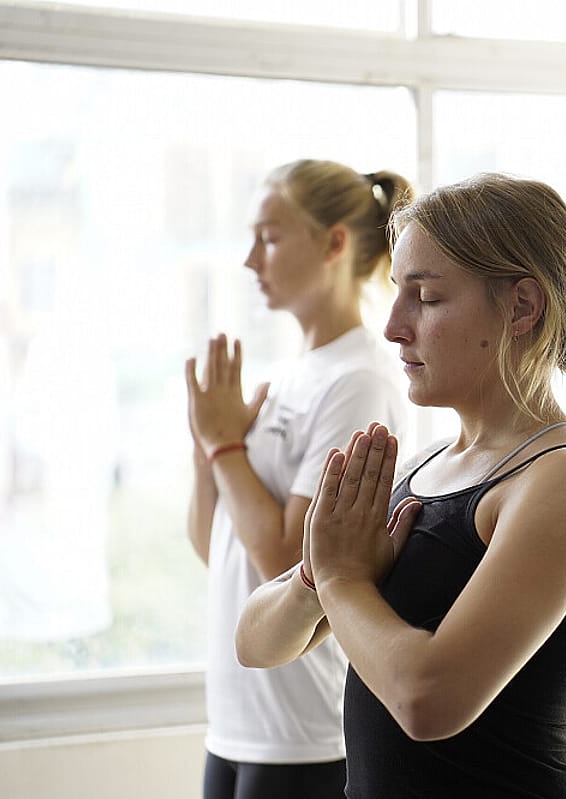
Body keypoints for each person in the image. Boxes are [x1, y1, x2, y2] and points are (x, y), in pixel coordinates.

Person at [235, 172, 566, 798]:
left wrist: (342, 580)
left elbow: (429, 700)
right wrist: (322, 578)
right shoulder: (421, 470)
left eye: (425, 297)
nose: (394, 326)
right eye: (398, 293)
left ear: (522, 307)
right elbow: (256, 641)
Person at [185, 159, 413, 799]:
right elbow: (213, 545)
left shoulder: (357, 381)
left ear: (334, 243)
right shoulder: (289, 377)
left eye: (271, 236)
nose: (251, 259)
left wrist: (226, 445)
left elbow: (291, 563)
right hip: (234, 724)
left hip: (300, 736)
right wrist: (206, 445)